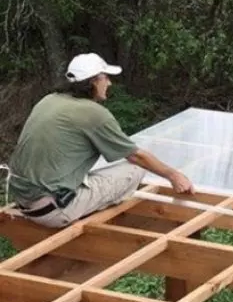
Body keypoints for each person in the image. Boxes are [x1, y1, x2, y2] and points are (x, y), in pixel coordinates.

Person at [6, 52, 195, 228]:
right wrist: (173, 175)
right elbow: (136, 157)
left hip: (23, 201)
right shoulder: (94, 114)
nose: (109, 83)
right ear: (94, 81)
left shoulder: (48, 100)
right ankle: (97, 218)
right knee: (135, 170)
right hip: (53, 211)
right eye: (106, 77)